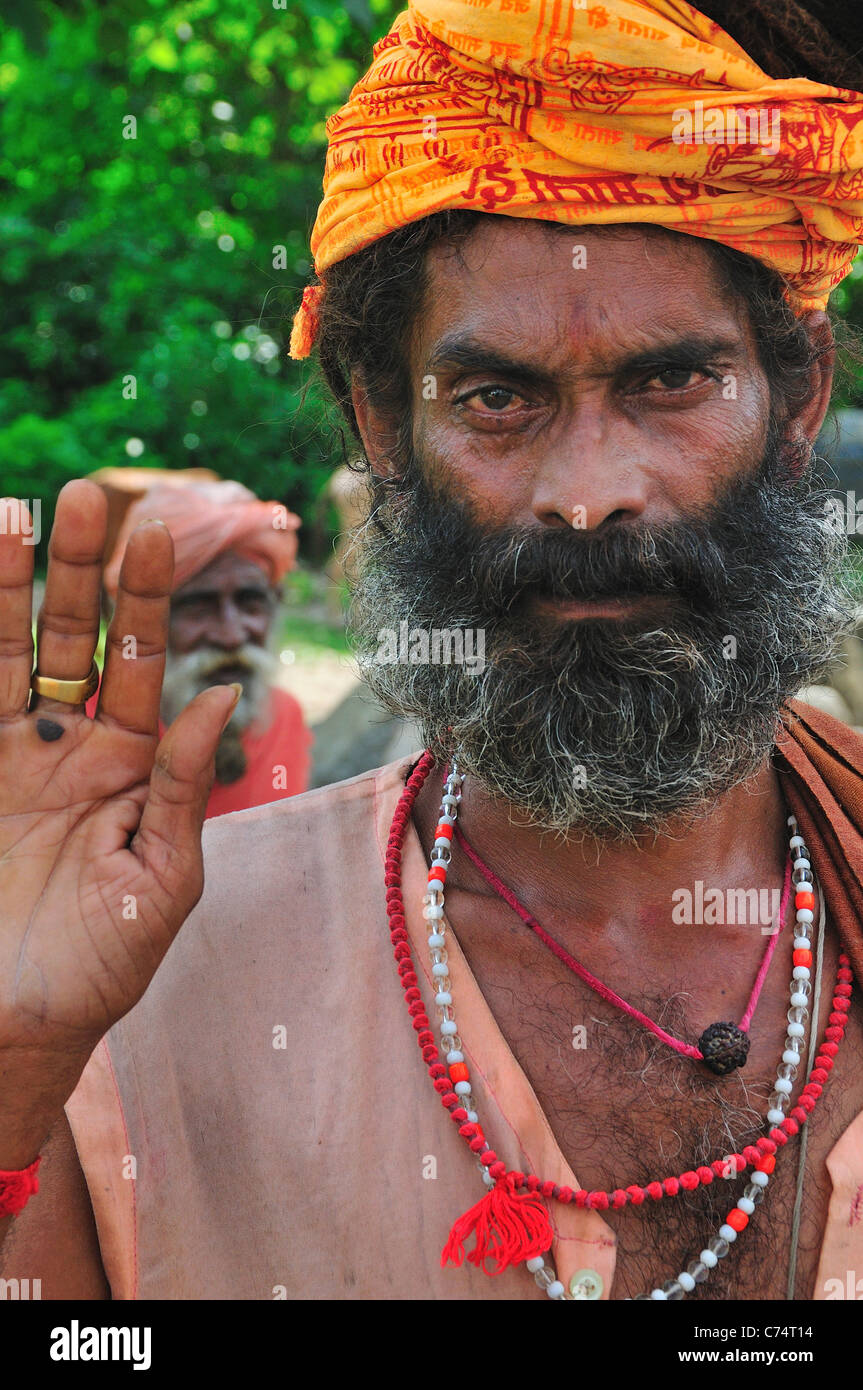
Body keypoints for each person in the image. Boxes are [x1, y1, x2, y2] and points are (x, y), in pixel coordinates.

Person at [2, 0, 863, 1303]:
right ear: (382, 427)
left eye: (667, 381)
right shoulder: (142, 989)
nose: (587, 495)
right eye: (497, 397)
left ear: (795, 398)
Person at [89, 479, 312, 816]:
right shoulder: (83, 728)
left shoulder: (286, 716)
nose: (232, 636)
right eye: (198, 605)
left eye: (250, 601)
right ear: (140, 617)